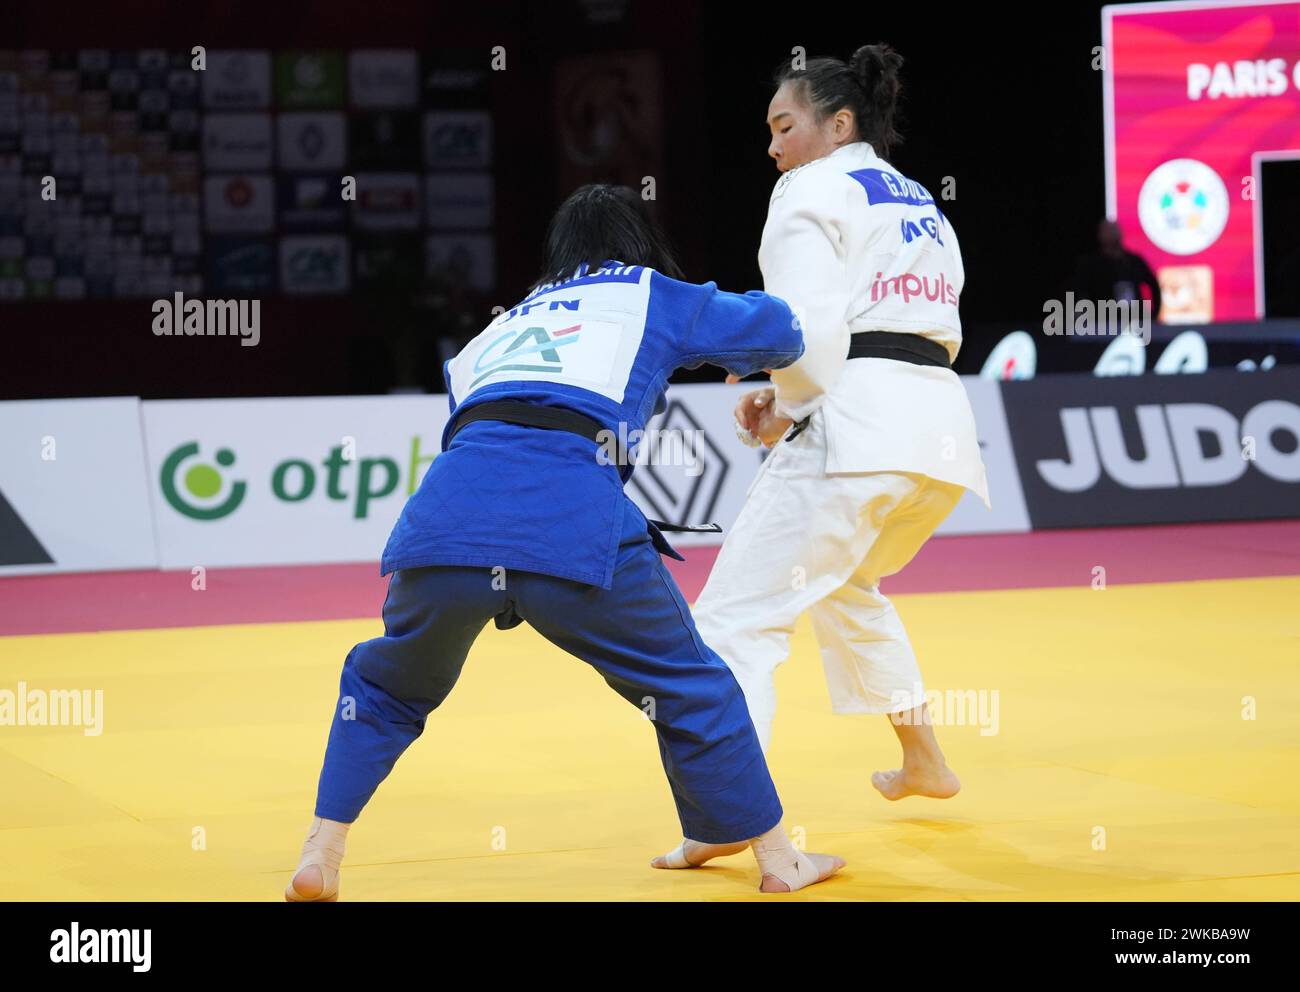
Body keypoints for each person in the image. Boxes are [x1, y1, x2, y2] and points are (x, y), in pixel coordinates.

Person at [285, 185, 845, 900]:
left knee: (384, 688)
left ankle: (320, 854)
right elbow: (782, 335)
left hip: (443, 523)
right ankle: (779, 861)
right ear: (638, 243)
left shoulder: (498, 328)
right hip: (572, 521)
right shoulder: (650, 292)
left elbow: (481, 425)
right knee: (691, 684)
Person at [654, 44, 992, 873]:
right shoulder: (920, 203)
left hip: (858, 432)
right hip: (940, 436)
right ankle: (924, 759)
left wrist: (793, 401)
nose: (772, 148)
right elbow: (895, 319)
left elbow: (808, 322)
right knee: (845, 583)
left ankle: (727, 814)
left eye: (785, 126)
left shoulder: (809, 187)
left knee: (734, 622)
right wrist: (793, 395)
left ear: (837, 125)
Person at [1071, 219, 1163, 327]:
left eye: (1114, 230)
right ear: (1100, 235)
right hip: (1104, 322)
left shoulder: (1134, 261)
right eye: (1107, 231)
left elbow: (1153, 285)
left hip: (1135, 321)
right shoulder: (1091, 264)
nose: (1112, 234)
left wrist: (1154, 314)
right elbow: (1080, 292)